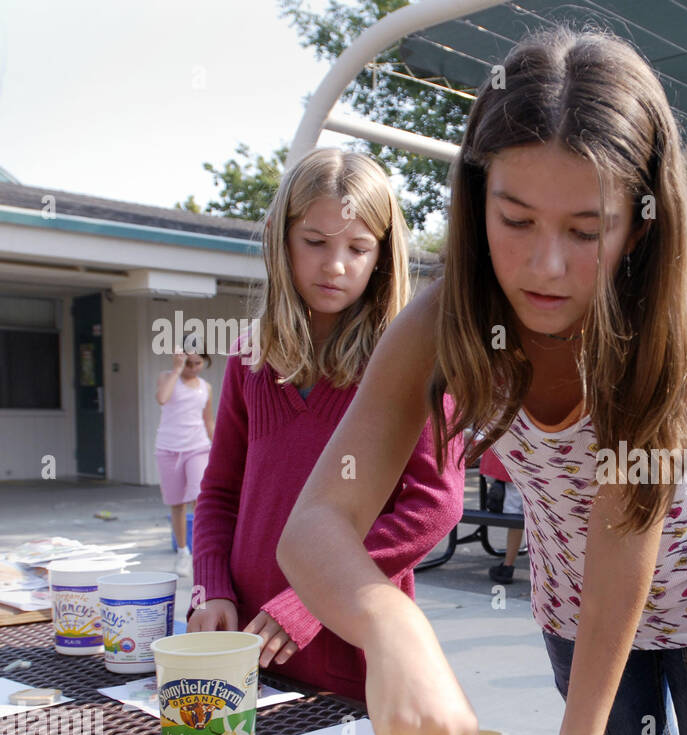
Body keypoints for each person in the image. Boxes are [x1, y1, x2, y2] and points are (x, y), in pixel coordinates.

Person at [278, 28, 687, 735]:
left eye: (588, 230)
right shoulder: (444, 318)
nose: (547, 266)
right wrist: (389, 622)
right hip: (579, 606)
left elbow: (628, 509)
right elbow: (314, 521)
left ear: (643, 222)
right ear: (477, 198)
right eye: (515, 220)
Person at [188, 148, 464, 700]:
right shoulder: (248, 360)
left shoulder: (416, 363)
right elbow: (219, 493)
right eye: (314, 242)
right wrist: (209, 587)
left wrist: (313, 598)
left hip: (351, 652)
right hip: (245, 644)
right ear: (279, 238)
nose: (335, 265)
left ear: (383, 257)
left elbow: (434, 504)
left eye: (358, 248)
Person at [154, 341, 213, 577]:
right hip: (168, 448)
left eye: (198, 363)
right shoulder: (167, 377)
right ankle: (182, 552)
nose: (193, 368)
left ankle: (202, 552)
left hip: (198, 447)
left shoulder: (206, 387)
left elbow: (208, 420)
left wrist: (218, 447)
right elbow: (162, 398)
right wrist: (177, 370)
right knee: (177, 504)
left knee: (200, 499)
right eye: (188, 363)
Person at [478, 442, 524, 584]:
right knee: (516, 515)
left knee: (515, 515)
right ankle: (507, 566)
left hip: (503, 458)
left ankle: (507, 566)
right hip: (521, 460)